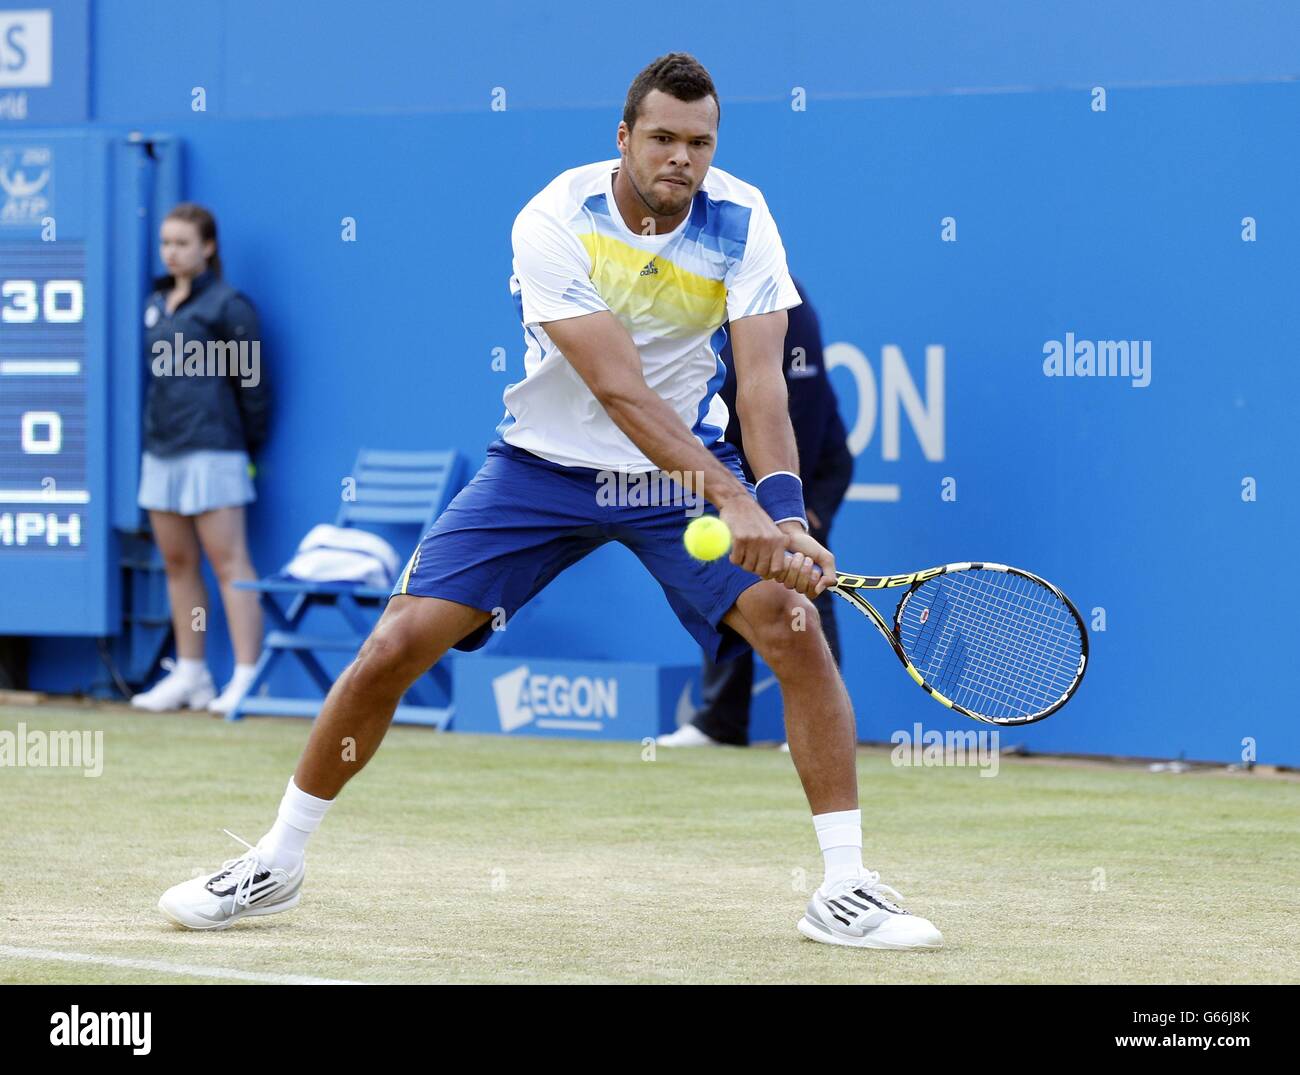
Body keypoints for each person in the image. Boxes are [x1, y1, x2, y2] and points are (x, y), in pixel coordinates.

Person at [157, 55, 942, 951]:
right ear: (624, 138)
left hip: (678, 478)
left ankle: (844, 887)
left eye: (699, 142)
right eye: (663, 139)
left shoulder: (745, 216)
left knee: (793, 627)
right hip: (546, 466)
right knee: (395, 643)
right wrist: (738, 502)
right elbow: (620, 393)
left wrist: (786, 515)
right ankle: (277, 858)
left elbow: (762, 384)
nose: (682, 158)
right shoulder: (555, 218)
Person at [658, 277, 853, 747]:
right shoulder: (685, 290)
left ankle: (818, 721)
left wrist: (786, 502)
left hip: (803, 468)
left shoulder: (780, 297)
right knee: (721, 579)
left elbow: (794, 406)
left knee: (803, 580)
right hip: (730, 467)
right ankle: (720, 721)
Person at [130, 203, 270, 715]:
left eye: (182, 243)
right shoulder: (156, 303)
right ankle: (192, 674)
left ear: (207, 247)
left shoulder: (229, 306)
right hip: (161, 450)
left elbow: (253, 386)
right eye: (166, 243)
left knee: (229, 563)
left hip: (215, 450)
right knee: (177, 563)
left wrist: (245, 449)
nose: (171, 252)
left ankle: (248, 676)